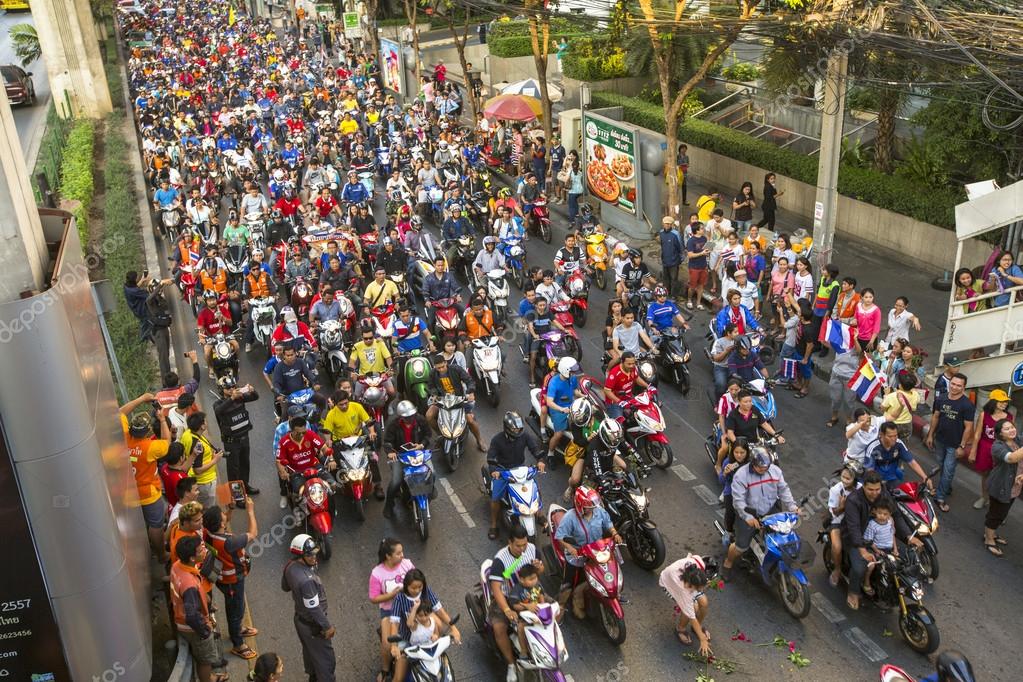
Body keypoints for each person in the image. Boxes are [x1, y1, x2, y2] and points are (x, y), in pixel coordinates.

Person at [721, 448, 799, 580]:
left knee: (783, 537)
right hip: (748, 513)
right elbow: (738, 501)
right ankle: (728, 563)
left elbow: (783, 489)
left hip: (770, 509)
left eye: (766, 467)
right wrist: (748, 517)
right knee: (741, 547)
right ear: (752, 463)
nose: (764, 469)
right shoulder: (741, 475)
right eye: (760, 467)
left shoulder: (775, 471)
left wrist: (792, 506)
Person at [840, 470, 913, 610]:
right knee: (860, 567)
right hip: (858, 539)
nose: (874, 493)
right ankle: (853, 592)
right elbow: (854, 528)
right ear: (863, 486)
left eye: (877, 489)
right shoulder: (853, 500)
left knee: (905, 557)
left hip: (880, 537)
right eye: (870, 489)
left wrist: (909, 536)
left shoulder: (884, 494)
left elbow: (896, 514)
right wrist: (863, 551)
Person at [204, 501, 259, 660]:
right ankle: (238, 644)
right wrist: (250, 511)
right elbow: (253, 533)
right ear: (221, 524)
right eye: (223, 516)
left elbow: (225, 520)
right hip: (232, 580)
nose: (225, 517)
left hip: (224, 579)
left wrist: (230, 509)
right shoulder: (229, 542)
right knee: (235, 610)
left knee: (237, 605)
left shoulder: (209, 534)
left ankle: (238, 629)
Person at [487, 525, 544, 682]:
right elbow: (496, 589)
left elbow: (540, 571)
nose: (522, 549)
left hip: (531, 593)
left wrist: (539, 568)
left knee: (553, 610)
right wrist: (507, 610)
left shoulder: (532, 550)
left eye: (524, 544)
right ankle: (511, 664)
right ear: (510, 542)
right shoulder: (500, 560)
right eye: (518, 545)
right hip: (507, 597)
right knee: (499, 628)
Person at [554, 486, 621, 617]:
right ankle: (560, 607)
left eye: (593, 505)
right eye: (589, 506)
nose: (592, 508)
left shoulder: (599, 511)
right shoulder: (570, 517)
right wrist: (570, 548)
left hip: (597, 551)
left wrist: (615, 533)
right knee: (568, 583)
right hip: (578, 554)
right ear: (580, 505)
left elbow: (608, 524)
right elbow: (560, 537)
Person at [120, 393, 171, 561]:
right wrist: (162, 420)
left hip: (127, 493)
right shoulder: (150, 447)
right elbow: (167, 441)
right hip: (148, 494)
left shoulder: (124, 439)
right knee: (156, 525)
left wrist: (141, 399)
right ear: (148, 431)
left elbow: (119, 412)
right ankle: (161, 554)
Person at [387, 569, 460, 681]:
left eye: (419, 587)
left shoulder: (426, 591)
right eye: (413, 588)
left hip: (428, 640)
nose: (417, 590)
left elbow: (439, 610)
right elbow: (395, 623)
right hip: (407, 640)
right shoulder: (399, 598)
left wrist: (453, 628)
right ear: (406, 586)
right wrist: (394, 645)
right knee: (398, 678)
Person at [282, 534, 336, 682]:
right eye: (309, 555)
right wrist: (327, 627)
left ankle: (313, 677)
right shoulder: (307, 581)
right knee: (326, 662)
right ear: (300, 556)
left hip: (300, 621)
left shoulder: (290, 566)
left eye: (314, 553)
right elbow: (314, 608)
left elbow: (285, 587)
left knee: (311, 653)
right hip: (314, 626)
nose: (314, 557)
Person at [170, 535, 223, 682]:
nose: (205, 551)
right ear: (192, 558)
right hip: (193, 630)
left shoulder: (177, 566)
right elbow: (192, 616)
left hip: (180, 619)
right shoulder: (189, 585)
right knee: (205, 660)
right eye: (200, 550)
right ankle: (208, 679)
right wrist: (205, 632)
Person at [486, 411, 546, 540]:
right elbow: (491, 457)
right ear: (507, 428)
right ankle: (494, 525)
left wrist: (540, 460)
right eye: (514, 428)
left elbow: (534, 449)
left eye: (519, 428)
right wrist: (494, 471)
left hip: (520, 469)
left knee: (535, 489)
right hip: (503, 471)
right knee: (495, 497)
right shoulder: (497, 440)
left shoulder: (524, 436)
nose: (517, 430)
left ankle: (539, 513)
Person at [926, 373, 976, 513]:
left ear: (964, 387)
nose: (954, 387)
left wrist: (962, 446)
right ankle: (946, 487)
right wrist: (930, 435)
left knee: (948, 471)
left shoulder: (967, 405)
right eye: (953, 384)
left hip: (954, 445)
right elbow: (935, 416)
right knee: (942, 465)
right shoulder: (941, 398)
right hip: (940, 440)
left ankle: (940, 497)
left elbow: (968, 427)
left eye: (959, 385)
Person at [369, 538, 416, 682]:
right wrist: (391, 595)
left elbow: (417, 580)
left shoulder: (407, 564)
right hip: (389, 611)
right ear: (388, 556)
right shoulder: (377, 573)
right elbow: (373, 598)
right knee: (387, 643)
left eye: (402, 552)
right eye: (398, 553)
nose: (402, 555)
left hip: (410, 606)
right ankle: (385, 670)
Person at [381, 401, 433, 518]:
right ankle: (389, 505)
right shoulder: (393, 425)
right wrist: (390, 452)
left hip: (419, 454)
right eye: (406, 417)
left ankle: (431, 492)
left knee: (432, 473)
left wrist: (422, 445)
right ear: (401, 417)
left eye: (411, 416)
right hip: (401, 456)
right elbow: (387, 441)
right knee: (396, 481)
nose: (409, 419)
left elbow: (428, 435)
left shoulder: (420, 420)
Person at [426, 353, 485, 451]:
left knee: (470, 420)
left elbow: (469, 380)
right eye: (438, 368)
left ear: (446, 363)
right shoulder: (433, 373)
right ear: (435, 367)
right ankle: (441, 435)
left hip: (458, 400)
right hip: (442, 400)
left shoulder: (456, 369)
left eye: (442, 367)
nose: (441, 370)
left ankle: (479, 440)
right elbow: (431, 386)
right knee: (429, 416)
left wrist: (470, 392)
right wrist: (434, 394)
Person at [983, 418, 1023, 557]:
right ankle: (989, 539)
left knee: (1002, 514)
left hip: (1014, 487)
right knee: (996, 515)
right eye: (1007, 429)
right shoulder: (997, 446)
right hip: (1000, 486)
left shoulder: (1017, 441)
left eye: (1012, 427)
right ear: (1000, 433)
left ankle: (992, 533)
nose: (1011, 430)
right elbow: (1012, 458)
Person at [213, 375, 260, 495]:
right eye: (228, 388)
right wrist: (232, 398)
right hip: (231, 442)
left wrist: (252, 390)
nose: (231, 389)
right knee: (233, 469)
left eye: (233, 387)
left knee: (245, 464)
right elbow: (218, 411)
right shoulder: (218, 404)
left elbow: (255, 397)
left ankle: (246, 486)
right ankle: (237, 495)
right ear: (221, 389)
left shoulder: (240, 398)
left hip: (244, 438)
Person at [658, 554, 713, 657]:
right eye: (699, 589)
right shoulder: (684, 590)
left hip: (687, 585)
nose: (701, 590)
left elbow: (695, 558)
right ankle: (681, 629)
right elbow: (691, 616)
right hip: (669, 584)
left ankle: (697, 627)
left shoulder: (696, 566)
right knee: (694, 607)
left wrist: (704, 583)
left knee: (704, 602)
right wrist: (702, 639)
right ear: (691, 586)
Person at [968, 389, 1012, 509]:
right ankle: (984, 497)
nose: (1004, 404)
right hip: (985, 448)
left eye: (1006, 401)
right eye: (1001, 401)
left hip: (1001, 450)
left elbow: (1012, 437)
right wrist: (973, 451)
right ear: (993, 401)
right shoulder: (984, 415)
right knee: (985, 475)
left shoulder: (1009, 417)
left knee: (999, 477)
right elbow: (977, 434)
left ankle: (995, 503)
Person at [180, 412, 223, 510]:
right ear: (202, 426)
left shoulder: (187, 433)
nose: (206, 423)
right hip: (205, 482)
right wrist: (215, 460)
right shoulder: (199, 446)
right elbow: (198, 470)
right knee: (206, 509)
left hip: (195, 479)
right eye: (205, 421)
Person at [860, 499, 897, 595]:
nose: (882, 516)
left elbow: (892, 535)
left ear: (890, 514)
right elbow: (869, 541)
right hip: (875, 549)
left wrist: (895, 549)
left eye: (885, 514)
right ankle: (866, 582)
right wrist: (877, 550)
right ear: (874, 512)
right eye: (879, 513)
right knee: (871, 565)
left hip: (889, 549)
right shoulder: (872, 525)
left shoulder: (890, 521)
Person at [718, 439, 750, 540]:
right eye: (736, 452)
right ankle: (728, 531)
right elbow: (721, 481)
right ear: (732, 452)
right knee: (730, 512)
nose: (739, 455)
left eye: (742, 452)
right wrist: (725, 473)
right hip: (731, 490)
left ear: (747, 452)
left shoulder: (751, 463)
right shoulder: (728, 462)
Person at [881, 371, 921, 439]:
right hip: (907, 424)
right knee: (903, 441)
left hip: (892, 424)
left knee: (890, 441)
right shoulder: (916, 395)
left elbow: (883, 408)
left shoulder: (892, 396)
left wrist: (886, 395)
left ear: (900, 385)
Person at [685, 221, 710, 310]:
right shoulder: (691, 241)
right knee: (692, 286)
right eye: (702, 228)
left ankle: (698, 303)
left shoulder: (704, 239)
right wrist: (701, 253)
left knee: (701, 286)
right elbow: (690, 255)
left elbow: (706, 250)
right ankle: (689, 300)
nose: (704, 230)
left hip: (703, 266)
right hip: (694, 267)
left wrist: (707, 252)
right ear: (697, 230)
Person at [659, 216, 684, 297]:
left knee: (674, 279)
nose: (668, 225)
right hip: (665, 260)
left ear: (672, 224)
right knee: (665, 279)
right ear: (663, 224)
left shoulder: (676, 234)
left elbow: (680, 247)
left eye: (669, 224)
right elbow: (662, 245)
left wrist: (681, 257)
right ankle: (666, 294)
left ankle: (673, 296)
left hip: (674, 260)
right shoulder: (661, 233)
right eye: (666, 223)